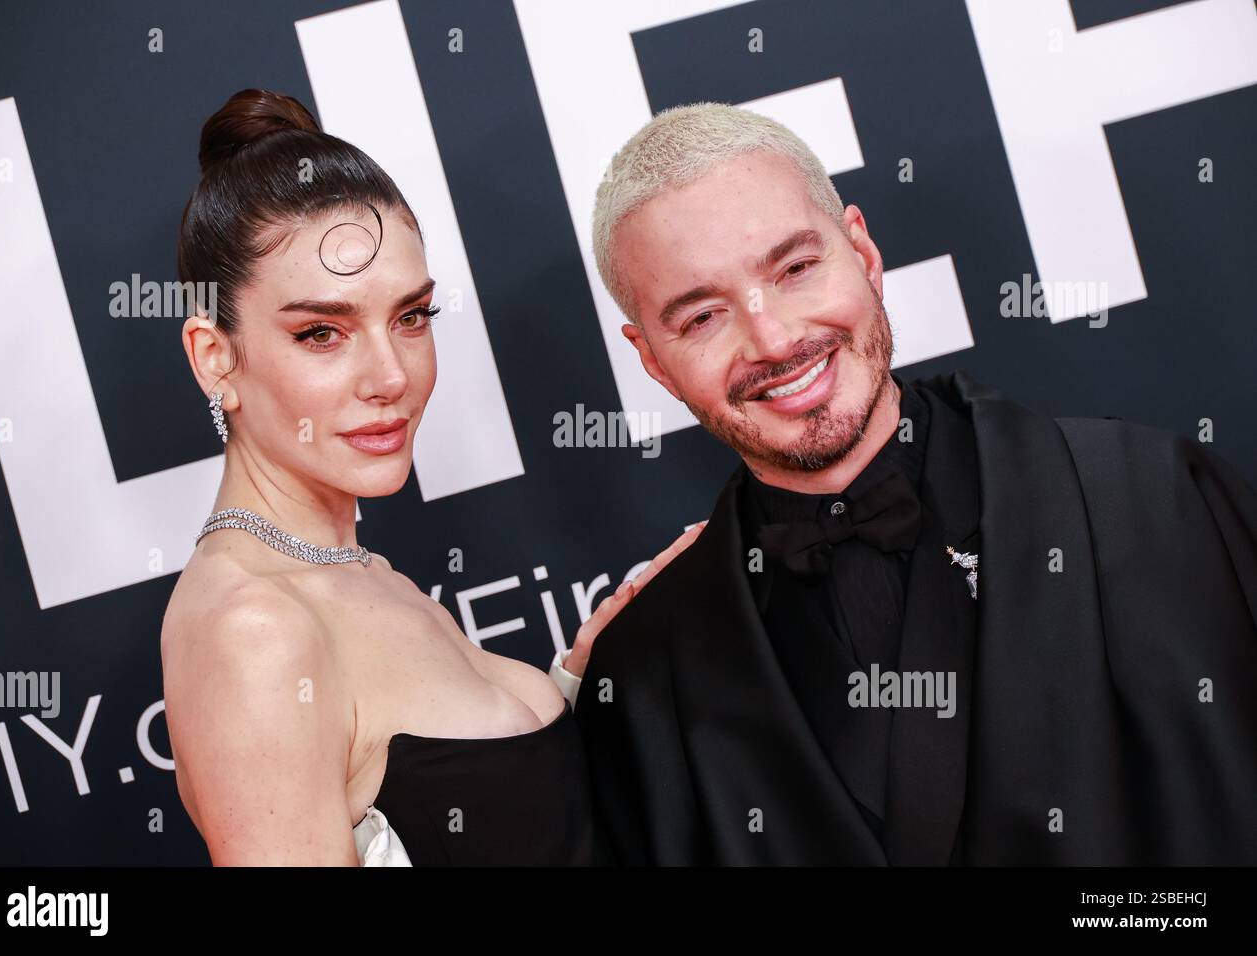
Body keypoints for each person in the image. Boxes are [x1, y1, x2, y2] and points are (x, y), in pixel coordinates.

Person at [574, 102, 1257, 865]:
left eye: (795, 270)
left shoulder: (1150, 497)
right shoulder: (645, 676)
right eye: (703, 317)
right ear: (653, 361)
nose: (773, 338)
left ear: (862, 253)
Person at [159, 89, 698, 866]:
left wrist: (583, 673)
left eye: (411, 317)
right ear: (215, 358)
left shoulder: (356, 570)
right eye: (322, 332)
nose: (390, 376)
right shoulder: (255, 633)